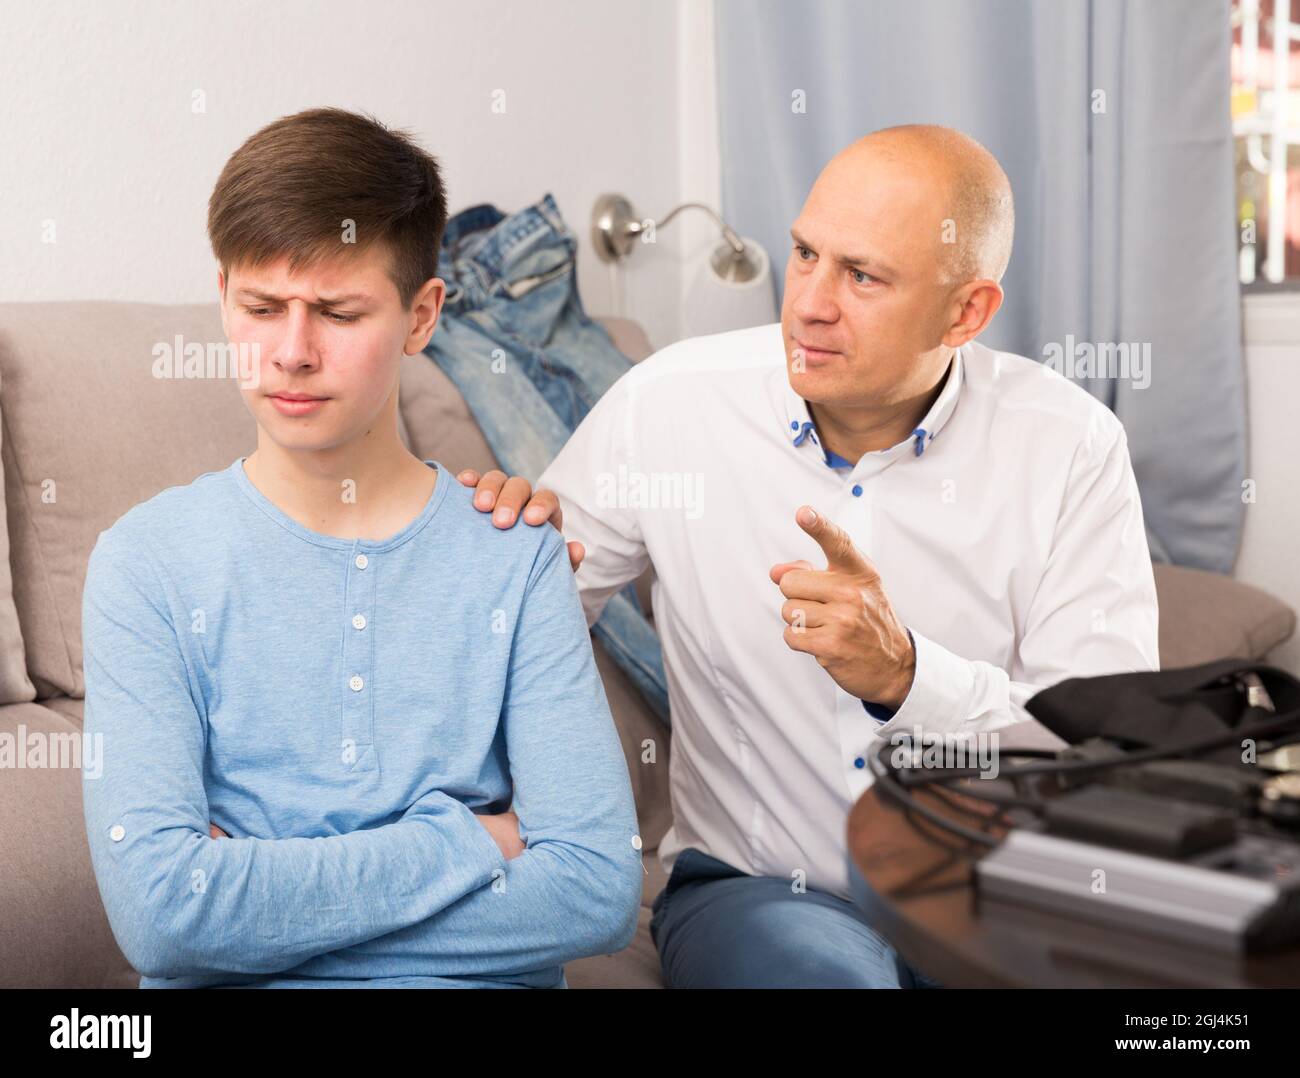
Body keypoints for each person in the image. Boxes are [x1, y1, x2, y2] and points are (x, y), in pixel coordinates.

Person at [460, 124, 1160, 988]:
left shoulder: (1069, 445)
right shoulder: (670, 405)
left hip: (999, 891)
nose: (809, 305)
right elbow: (528, 624)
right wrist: (476, 557)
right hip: (761, 896)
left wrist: (908, 679)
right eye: (803, 255)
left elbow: (1101, 747)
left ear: (967, 311)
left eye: (862, 276)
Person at [80, 107, 641, 989]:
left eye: (339, 313)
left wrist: (261, 910)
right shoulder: (144, 564)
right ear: (223, 298)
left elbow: (597, 891)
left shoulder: (515, 554)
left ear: (422, 317)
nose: (291, 354)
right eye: (262, 308)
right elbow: (160, 917)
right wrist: (460, 841)